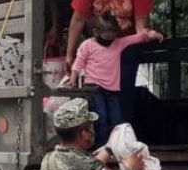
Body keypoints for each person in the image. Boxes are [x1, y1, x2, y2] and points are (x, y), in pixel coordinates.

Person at [65, 0, 154, 124]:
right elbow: (78, 19)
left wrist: (145, 36)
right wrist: (70, 54)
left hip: (125, 45)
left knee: (124, 89)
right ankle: (98, 130)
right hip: (98, 44)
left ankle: (123, 130)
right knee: (96, 93)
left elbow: (141, 23)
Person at [69, 14, 163, 144]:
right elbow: (79, 62)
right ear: (96, 32)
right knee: (101, 118)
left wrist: (153, 34)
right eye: (106, 37)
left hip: (112, 89)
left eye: (112, 37)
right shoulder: (87, 45)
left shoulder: (118, 43)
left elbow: (137, 38)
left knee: (117, 120)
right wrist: (73, 77)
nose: (109, 40)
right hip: (94, 88)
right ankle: (101, 147)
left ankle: (114, 147)